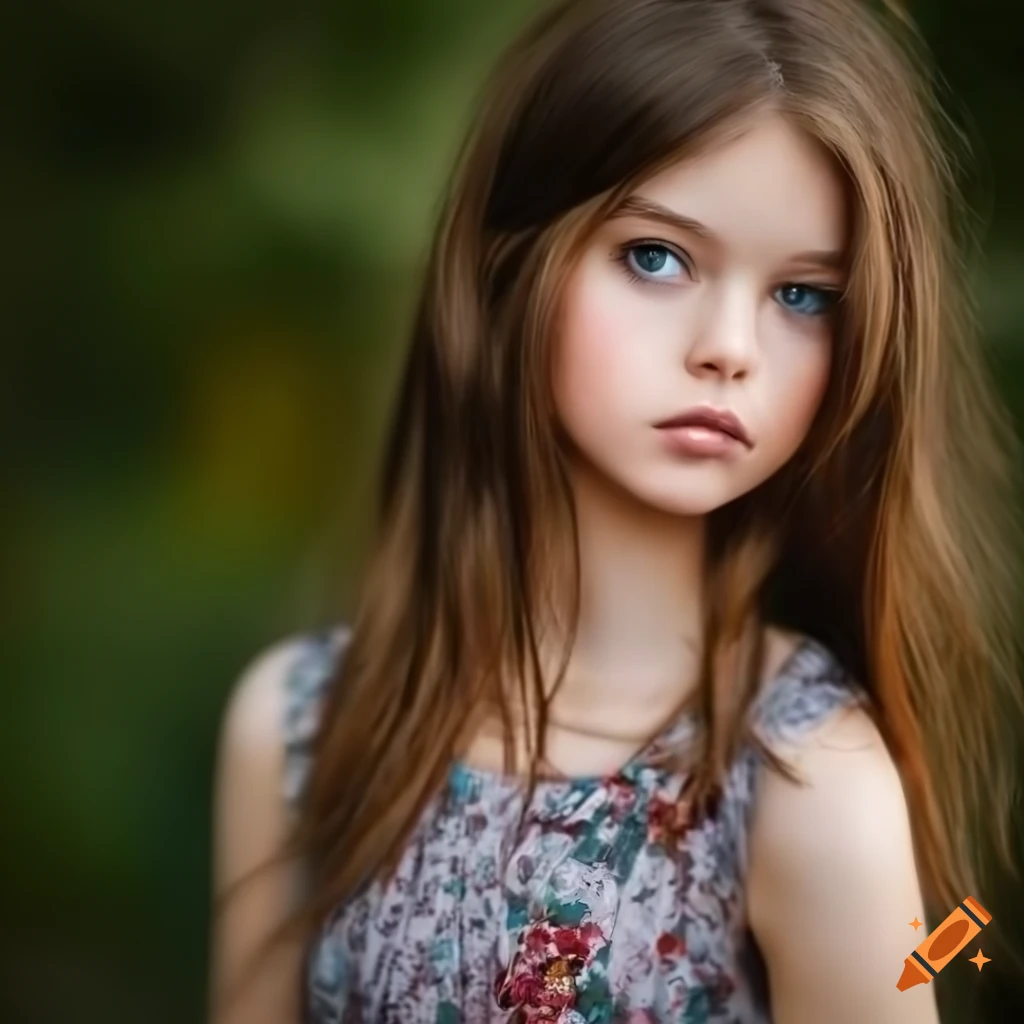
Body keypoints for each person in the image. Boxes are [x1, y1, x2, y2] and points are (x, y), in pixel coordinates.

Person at [209, 1, 1022, 1022]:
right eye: (655, 256)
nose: (729, 346)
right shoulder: (300, 727)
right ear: (509, 264)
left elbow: (946, 954)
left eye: (804, 295)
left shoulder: (809, 787)